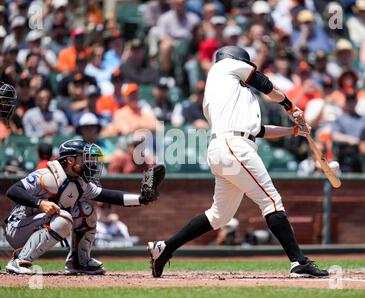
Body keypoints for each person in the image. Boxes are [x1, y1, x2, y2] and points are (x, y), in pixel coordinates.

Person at [148, 46, 329, 278]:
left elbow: (257, 131)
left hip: (224, 148)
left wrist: (294, 131)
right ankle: (298, 262)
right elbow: (264, 83)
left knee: (219, 215)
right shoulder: (225, 66)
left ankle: (164, 248)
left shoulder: (229, 93)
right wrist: (290, 106)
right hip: (235, 147)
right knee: (272, 201)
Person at [3, 139, 160, 274]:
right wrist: (40, 203)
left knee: (87, 212)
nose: (91, 162)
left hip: (39, 224)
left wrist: (141, 199)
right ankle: (20, 260)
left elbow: (109, 195)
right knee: (64, 218)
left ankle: (78, 262)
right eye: (85, 158)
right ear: (70, 160)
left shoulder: (80, 182)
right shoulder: (46, 176)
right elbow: (13, 191)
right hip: (17, 227)